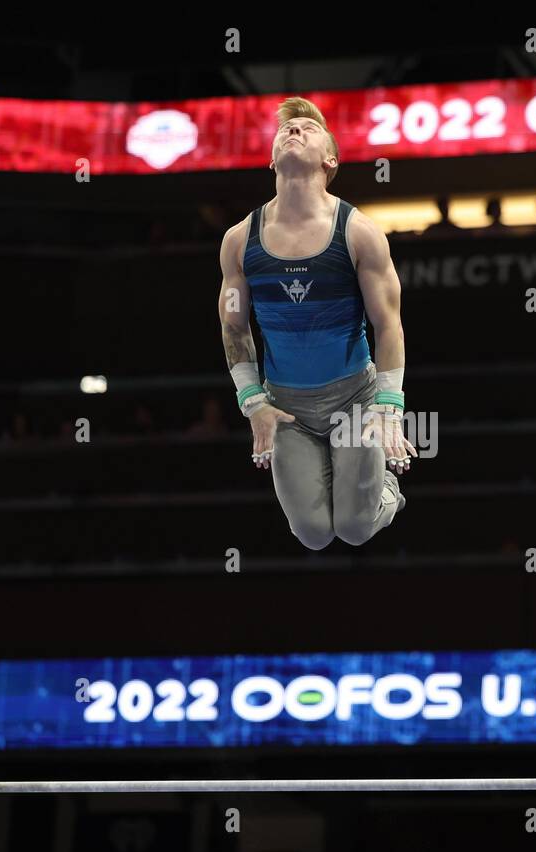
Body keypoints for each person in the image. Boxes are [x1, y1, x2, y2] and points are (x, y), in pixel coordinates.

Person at [216, 97, 416, 550]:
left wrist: (388, 408)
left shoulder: (359, 231)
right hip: (287, 407)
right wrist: (253, 403)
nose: (295, 131)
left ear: (330, 159)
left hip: (355, 402)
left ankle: (388, 492)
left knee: (354, 527)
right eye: (288, 129)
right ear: (271, 159)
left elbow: (388, 326)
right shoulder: (238, 241)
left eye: (308, 128)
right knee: (311, 534)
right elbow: (234, 329)